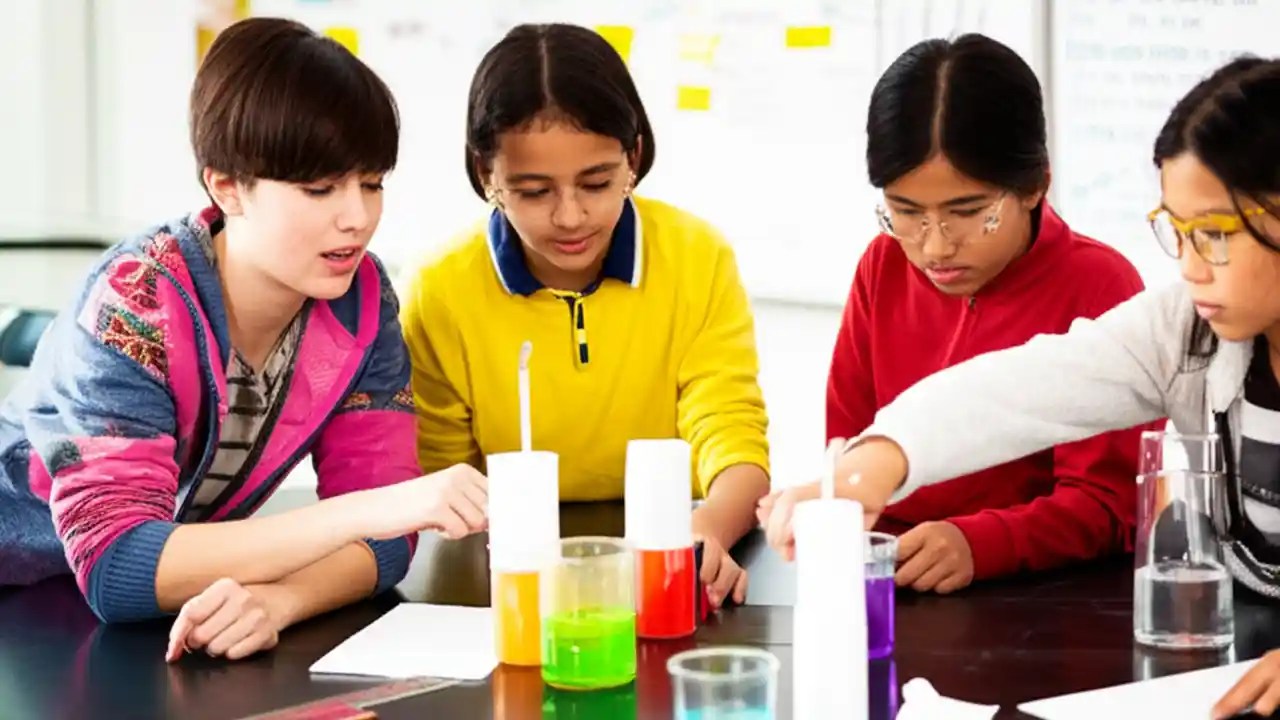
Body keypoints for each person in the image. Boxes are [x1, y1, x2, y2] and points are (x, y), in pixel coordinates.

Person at [759, 56, 1280, 717]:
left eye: (1213, 236)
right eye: (1176, 233)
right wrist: (877, 461)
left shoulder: (1103, 281)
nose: (1189, 266)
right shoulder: (1185, 331)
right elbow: (1024, 387)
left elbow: (1100, 501)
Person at [0, 18, 489, 661]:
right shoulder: (136, 302)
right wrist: (381, 509)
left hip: (160, 596)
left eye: (371, 183)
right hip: (25, 590)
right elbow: (119, 566)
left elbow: (388, 540)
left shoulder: (361, 302)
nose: (358, 216)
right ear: (226, 186)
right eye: (320, 189)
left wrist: (281, 601)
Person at [399, 23, 770, 609]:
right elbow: (443, 483)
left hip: (667, 556)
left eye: (597, 182)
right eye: (534, 192)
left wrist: (710, 529)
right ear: (486, 175)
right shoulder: (441, 290)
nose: (571, 217)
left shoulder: (698, 257)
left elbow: (730, 432)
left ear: (634, 159)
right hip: (511, 572)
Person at [826, 33, 1152, 594]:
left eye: (969, 212)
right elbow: (848, 445)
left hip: (1042, 602)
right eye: (905, 213)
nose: (934, 248)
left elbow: (1111, 505)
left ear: (1034, 186)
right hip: (892, 577)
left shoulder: (1101, 285)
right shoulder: (882, 266)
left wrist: (981, 543)